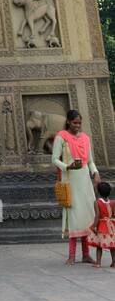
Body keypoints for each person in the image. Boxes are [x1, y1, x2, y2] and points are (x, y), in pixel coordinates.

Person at [52, 109, 99, 264]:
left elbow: (90, 161)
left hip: (84, 181)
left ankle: (86, 254)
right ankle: (71, 255)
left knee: (86, 216)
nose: (77, 125)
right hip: (70, 180)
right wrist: (68, 167)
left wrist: (95, 173)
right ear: (68, 122)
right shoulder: (61, 137)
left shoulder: (85, 138)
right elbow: (54, 159)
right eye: (74, 122)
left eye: (79, 123)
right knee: (73, 217)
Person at [88, 180, 115, 268]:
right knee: (112, 245)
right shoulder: (112, 202)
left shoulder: (97, 202)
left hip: (102, 226)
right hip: (111, 226)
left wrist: (93, 226)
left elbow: (97, 216)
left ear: (98, 192)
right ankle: (114, 262)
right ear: (109, 192)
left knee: (99, 245)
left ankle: (98, 263)